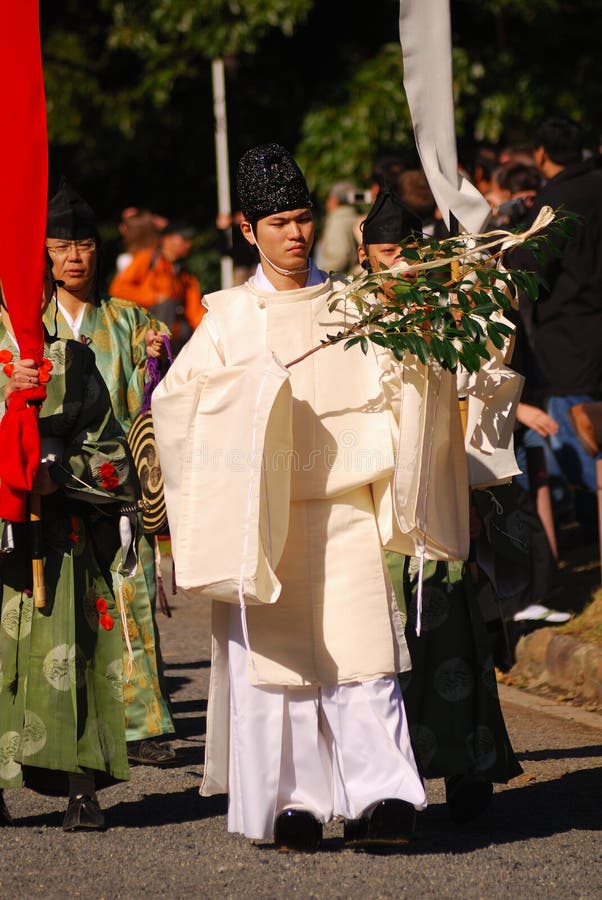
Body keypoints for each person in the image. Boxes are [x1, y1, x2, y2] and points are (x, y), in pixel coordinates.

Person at [151, 143, 520, 852]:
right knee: (282, 671)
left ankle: (383, 796)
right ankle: (293, 802)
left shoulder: (356, 306)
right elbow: (176, 406)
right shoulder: (229, 318)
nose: (294, 234)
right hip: (265, 518)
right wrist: (249, 392)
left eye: (299, 219)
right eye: (278, 223)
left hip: (347, 505)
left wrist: (434, 348)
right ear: (247, 231)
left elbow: (408, 385)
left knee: (363, 659)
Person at [357, 189, 523, 823]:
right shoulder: (350, 316)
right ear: (366, 258)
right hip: (376, 499)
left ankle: (470, 765)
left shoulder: (450, 311)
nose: (397, 267)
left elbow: (487, 381)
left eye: (406, 254)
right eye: (384, 255)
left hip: (446, 494)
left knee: (453, 628)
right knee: (385, 641)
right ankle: (390, 777)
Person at [0, 256, 139, 830]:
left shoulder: (73, 357)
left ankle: (81, 787)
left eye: (40, 285)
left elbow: (112, 448)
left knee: (72, 656)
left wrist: (62, 468)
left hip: (62, 528)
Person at [42, 177, 176, 767]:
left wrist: (161, 361)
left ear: (99, 249)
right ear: (44, 255)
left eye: (84, 245)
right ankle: (62, 721)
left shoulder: (130, 319)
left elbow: (165, 393)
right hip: (52, 483)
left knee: (130, 594)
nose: (74, 257)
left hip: (119, 483)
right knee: (58, 608)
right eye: (61, 247)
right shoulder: (27, 322)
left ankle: (141, 723)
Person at [510, 116, 602, 541]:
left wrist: (508, 245)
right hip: (587, 332)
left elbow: (529, 263)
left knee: (584, 448)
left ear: (541, 154)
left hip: (570, 339)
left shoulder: (560, 198)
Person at [110, 219, 205, 352]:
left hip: (175, 340)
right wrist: (154, 297)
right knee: (167, 303)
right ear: (167, 239)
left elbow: (195, 313)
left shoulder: (185, 275)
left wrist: (209, 332)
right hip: (145, 336)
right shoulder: (147, 258)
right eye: (184, 239)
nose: (188, 244)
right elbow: (117, 289)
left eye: (189, 240)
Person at [314, 181, 363, 275]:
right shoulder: (356, 217)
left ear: (334, 200)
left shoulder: (337, 221)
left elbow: (339, 256)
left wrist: (321, 276)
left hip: (340, 281)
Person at [215, 209, 258, 286]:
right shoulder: (232, 231)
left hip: (254, 265)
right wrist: (221, 230)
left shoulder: (252, 228)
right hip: (241, 267)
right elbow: (224, 250)